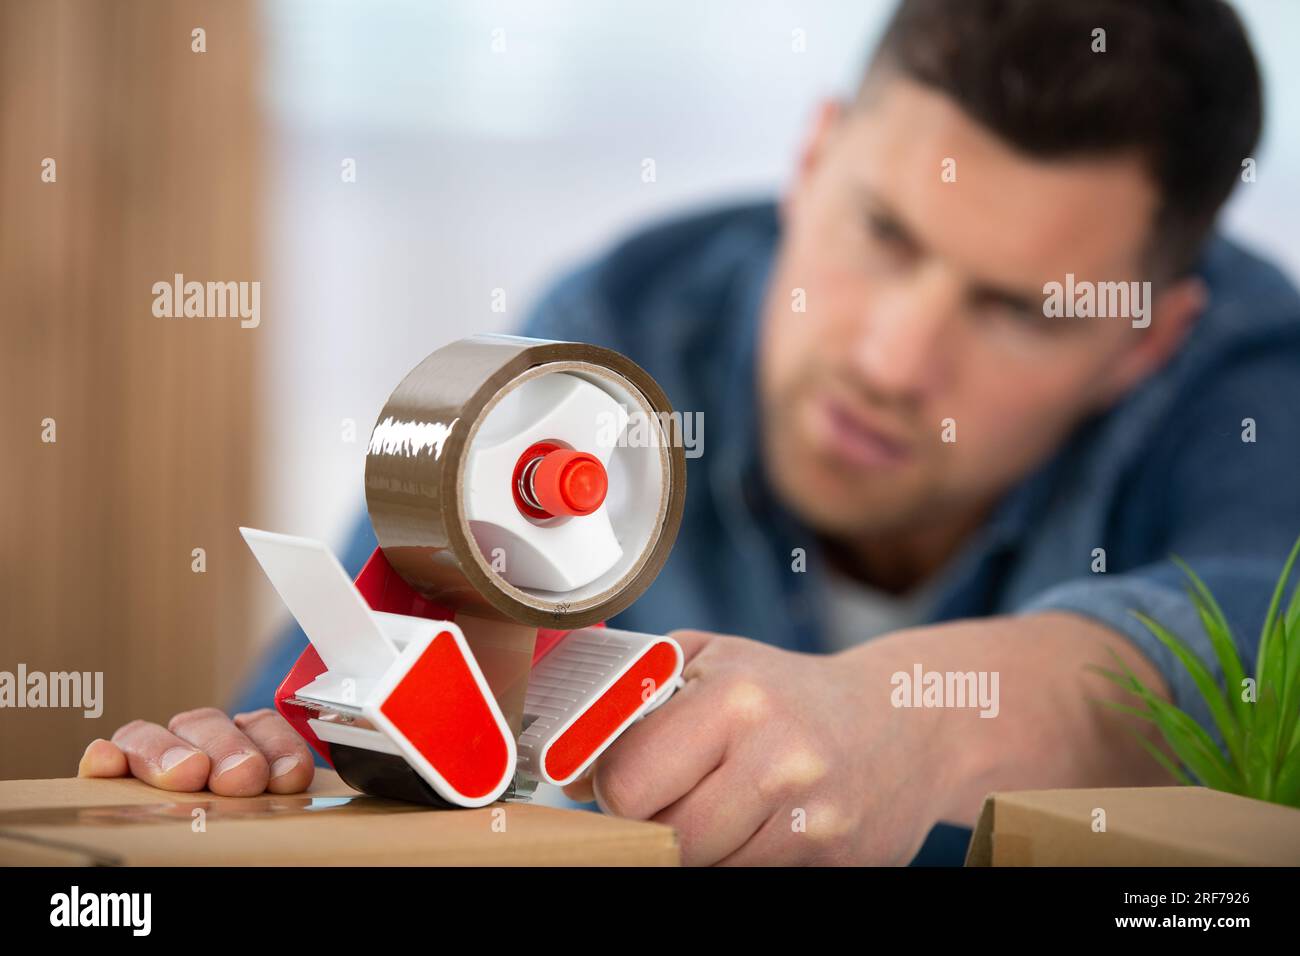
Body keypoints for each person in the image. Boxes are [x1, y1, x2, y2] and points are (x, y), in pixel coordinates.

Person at [79, 0, 1300, 865]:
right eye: (881, 231)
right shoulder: (613, 333)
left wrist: (912, 723)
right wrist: (275, 766)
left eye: (1017, 310)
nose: (887, 361)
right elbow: (319, 708)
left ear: (1147, 338)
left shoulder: (1251, 382)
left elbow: (1248, 636)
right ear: (813, 159)